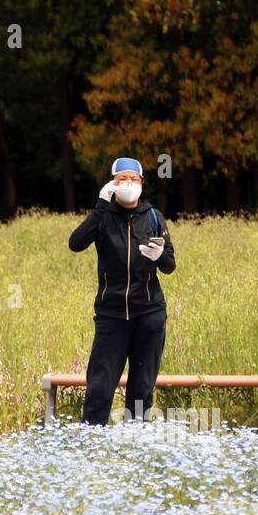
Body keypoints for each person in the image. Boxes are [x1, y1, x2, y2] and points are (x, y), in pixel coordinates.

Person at [68, 156, 176, 424]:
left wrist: (159, 255)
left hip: (149, 314)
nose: (129, 183)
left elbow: (170, 266)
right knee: (100, 387)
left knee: (141, 390)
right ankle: (92, 445)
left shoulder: (153, 217)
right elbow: (75, 243)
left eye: (134, 179)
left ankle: (134, 447)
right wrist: (100, 208)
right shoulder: (103, 218)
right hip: (111, 315)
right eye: (122, 179)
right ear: (111, 184)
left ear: (142, 183)